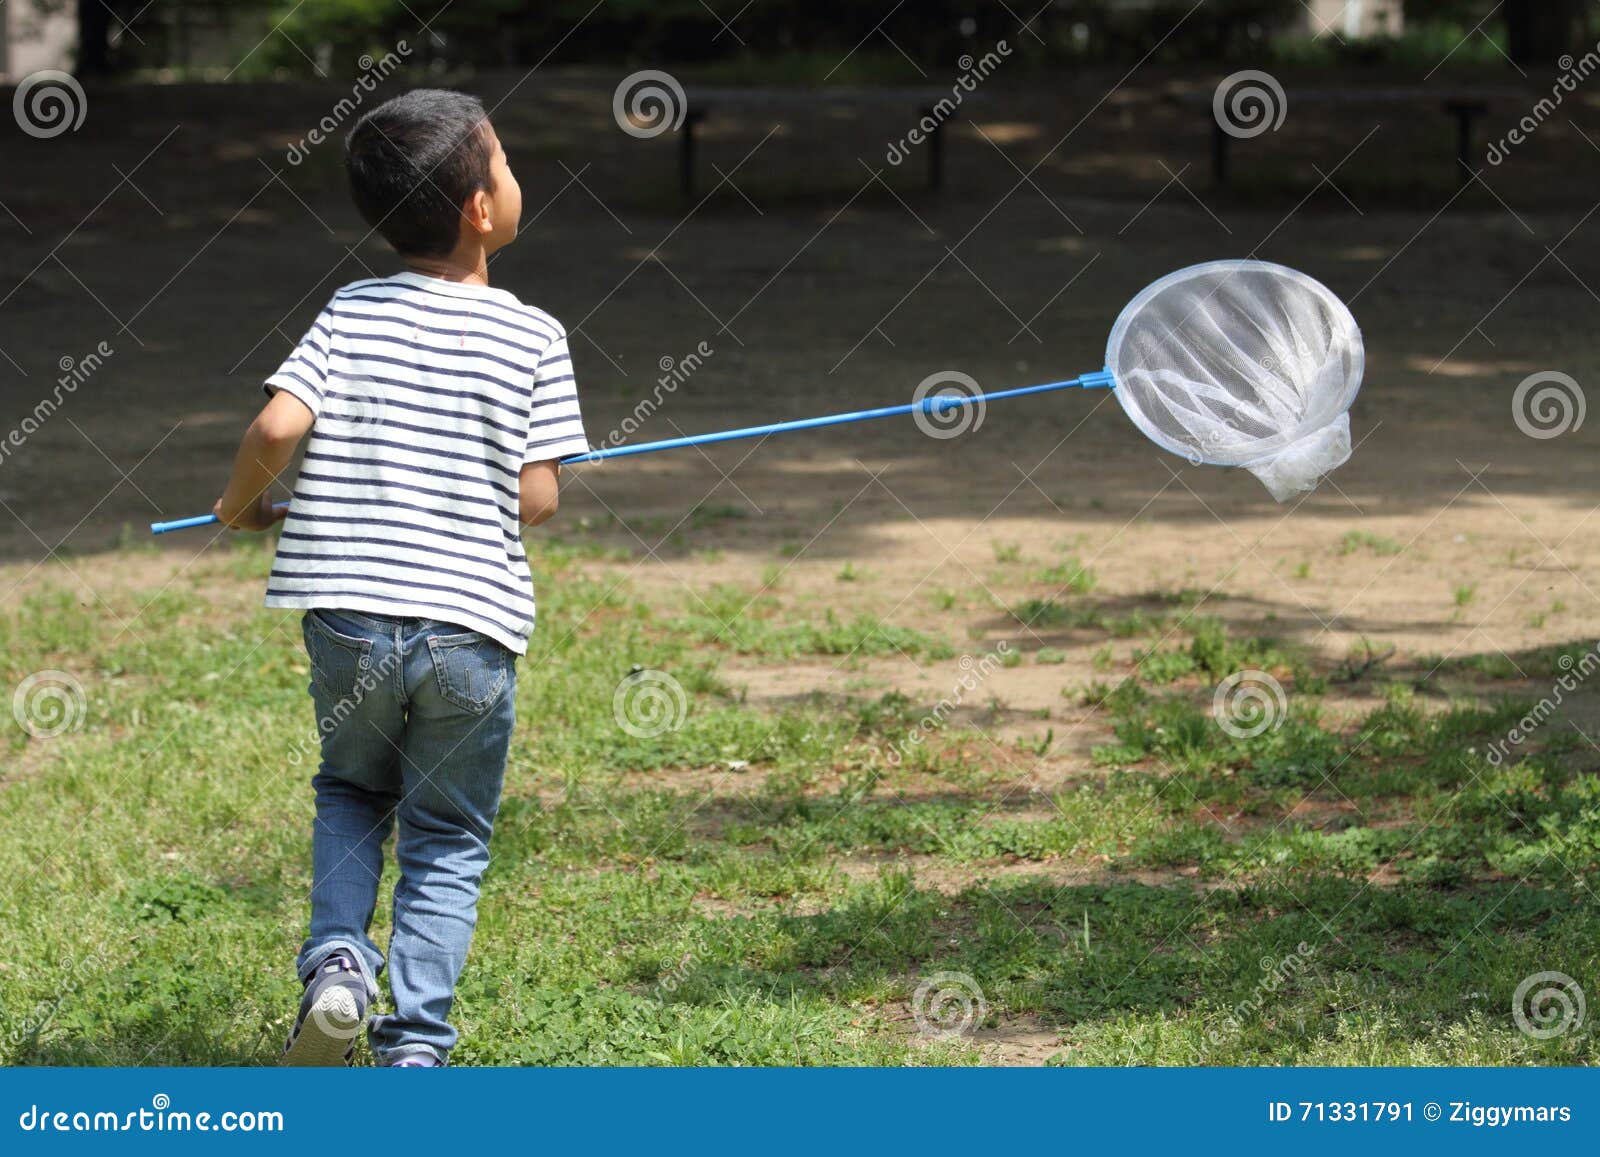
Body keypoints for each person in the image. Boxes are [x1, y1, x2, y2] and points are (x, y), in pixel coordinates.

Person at [211, 88, 588, 1067]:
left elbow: (279, 426)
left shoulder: (349, 309)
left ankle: (337, 965)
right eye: (503, 163)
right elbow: (535, 500)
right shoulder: (534, 336)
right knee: (447, 832)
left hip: (346, 616)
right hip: (469, 628)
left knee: (350, 787)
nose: (514, 179)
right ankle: (413, 1048)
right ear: (477, 208)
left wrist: (241, 506)